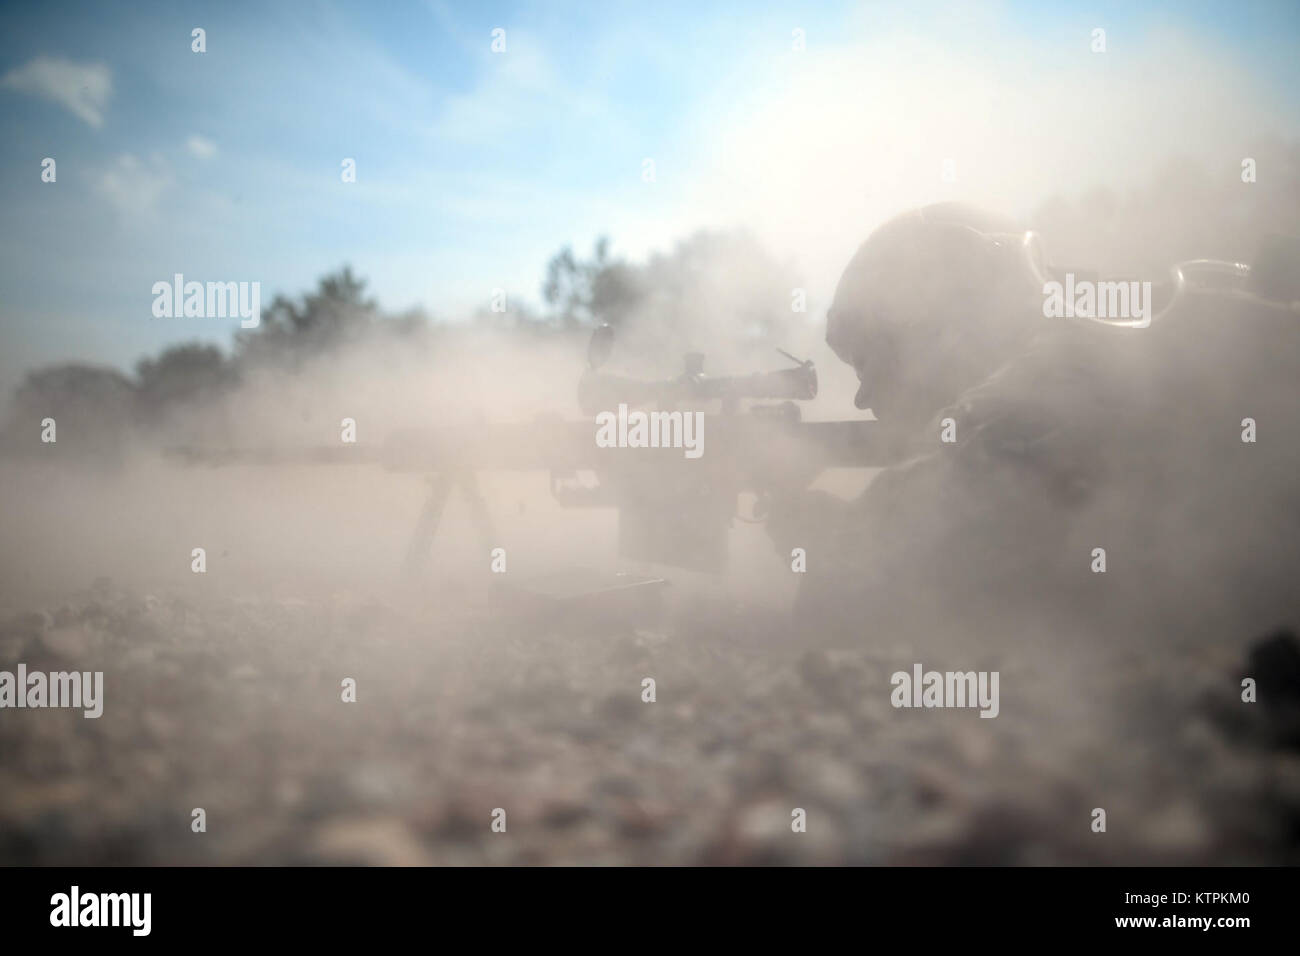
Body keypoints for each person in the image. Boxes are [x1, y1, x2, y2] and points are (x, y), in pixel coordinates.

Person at [771, 202, 1300, 647]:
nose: (864, 396)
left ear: (943, 316)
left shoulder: (1071, 361)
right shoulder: (1126, 335)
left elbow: (880, 576)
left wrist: (833, 533)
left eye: (872, 359)